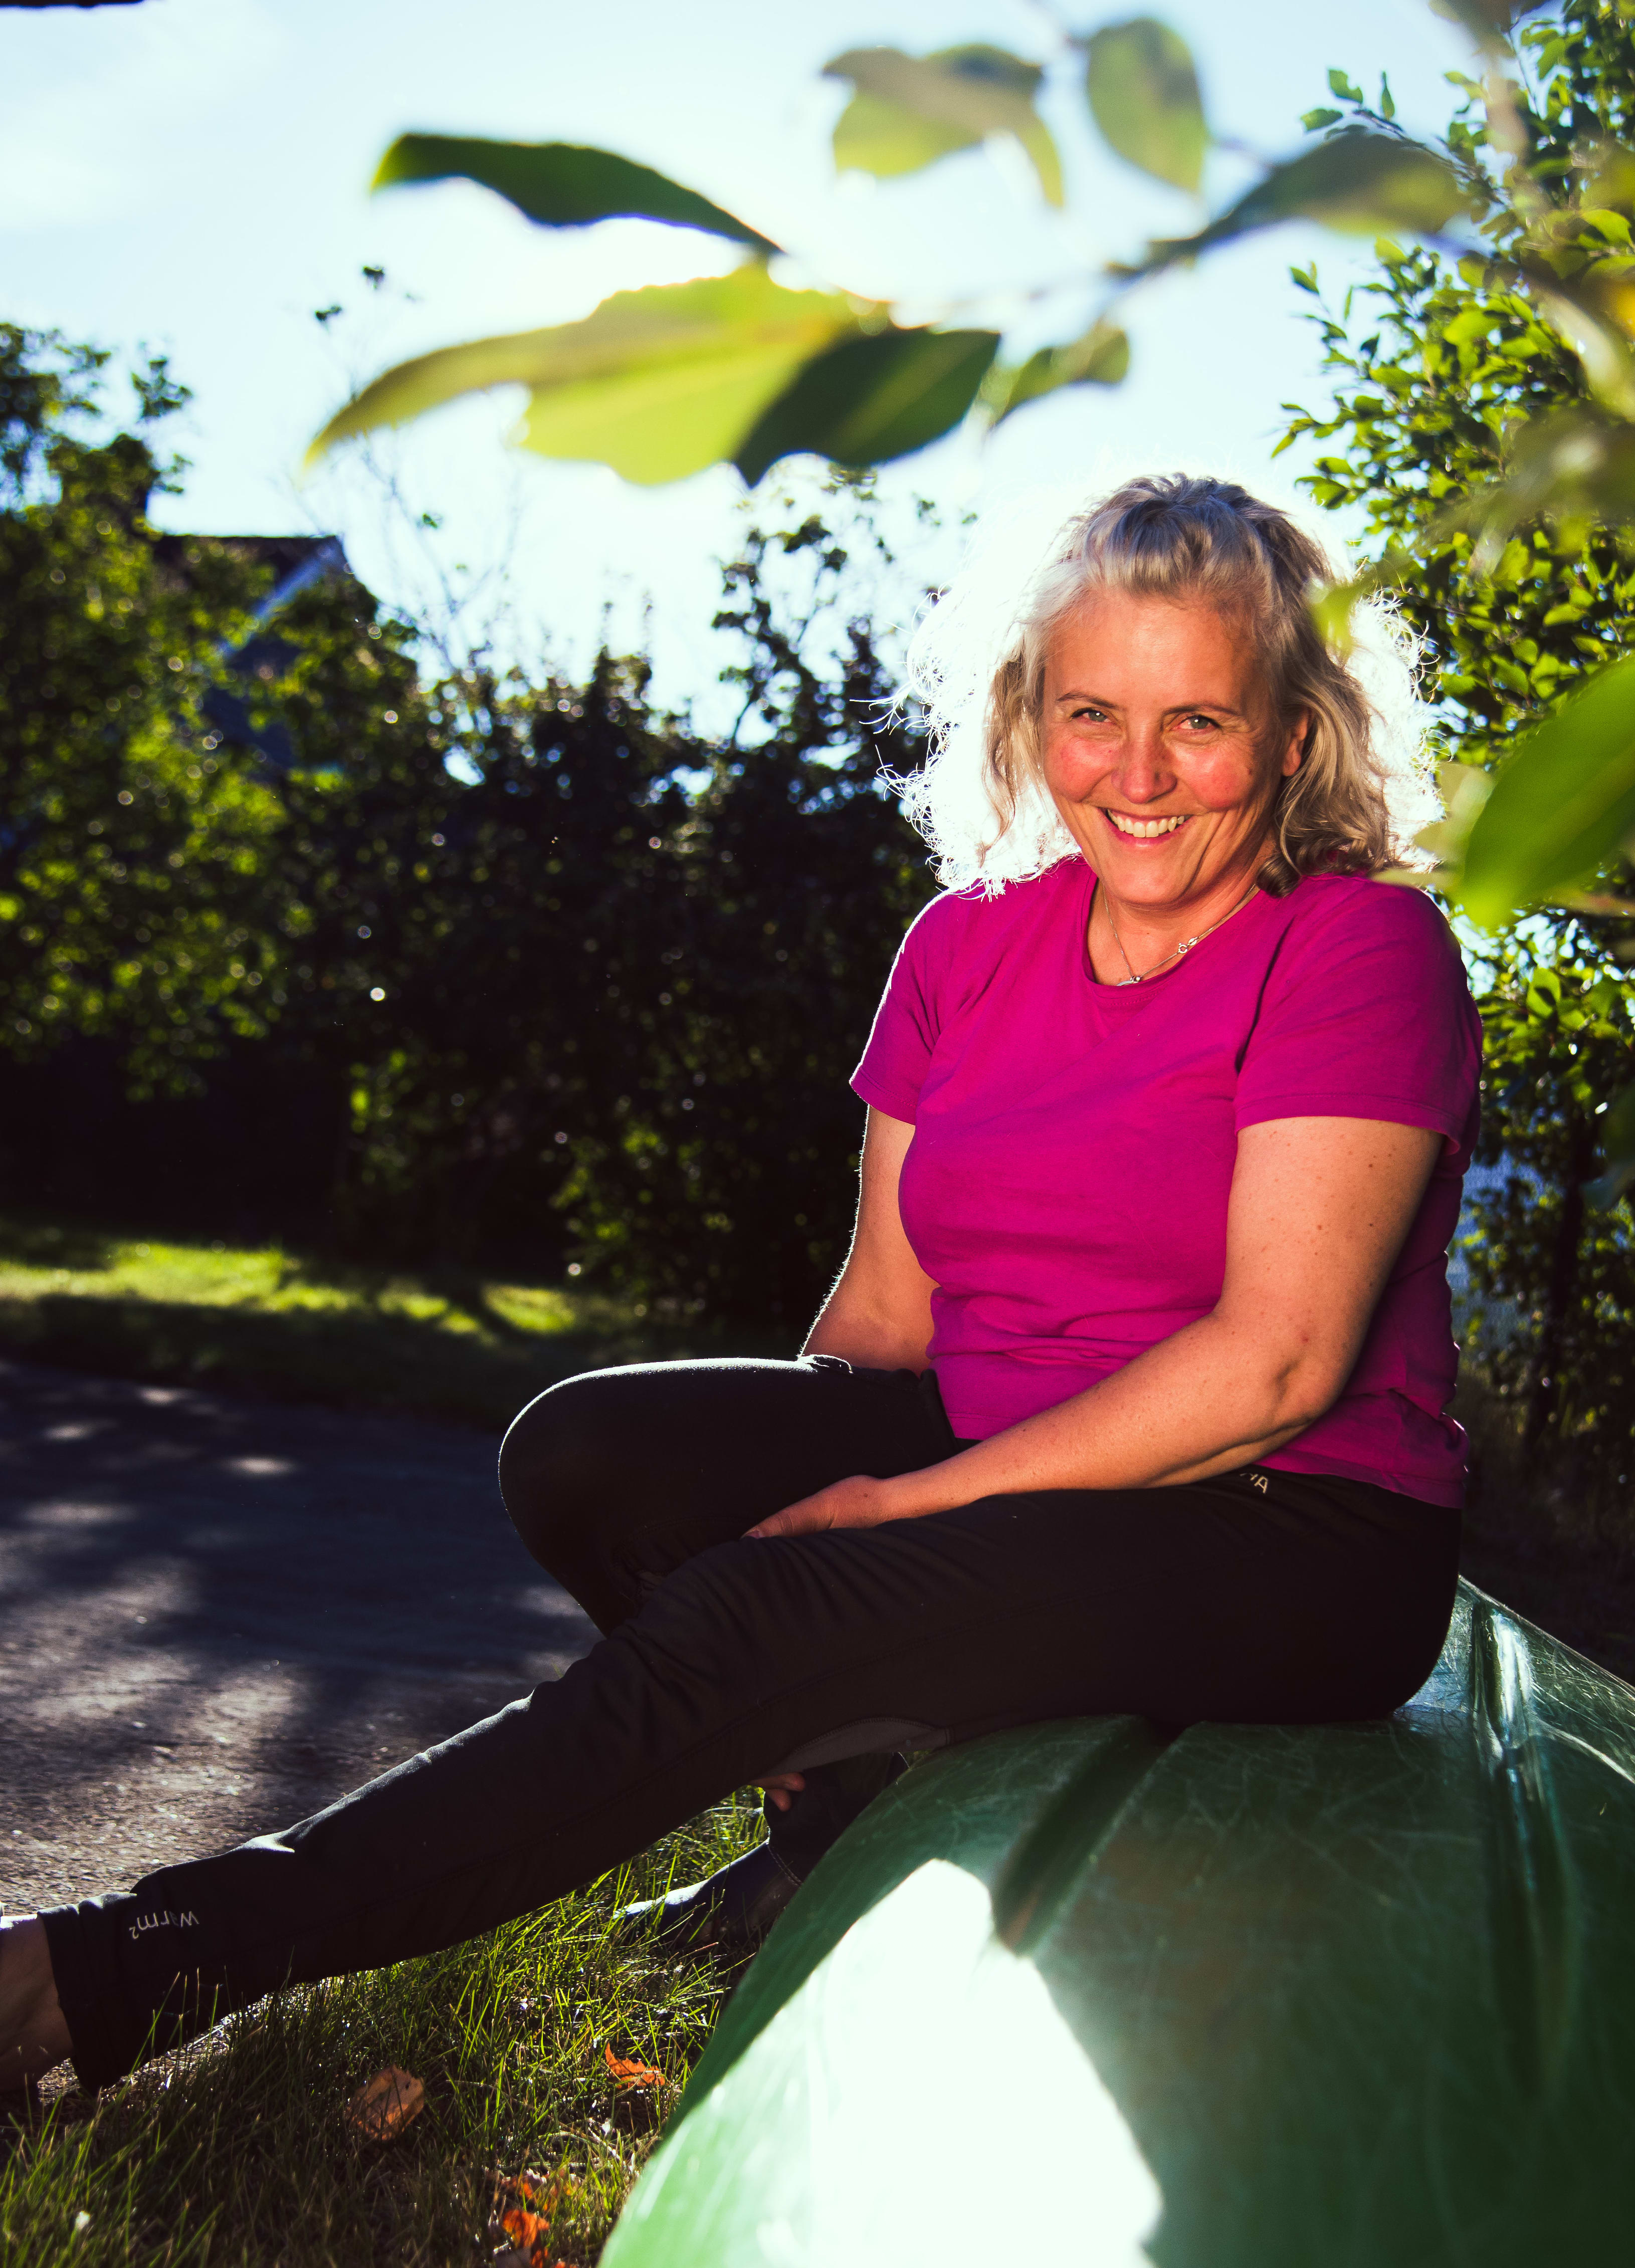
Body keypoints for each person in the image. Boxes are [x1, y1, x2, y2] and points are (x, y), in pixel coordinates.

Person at [0, 472, 1482, 2095]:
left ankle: (117, 1974)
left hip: (1291, 1530)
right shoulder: (967, 949)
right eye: (1089, 714)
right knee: (586, 1454)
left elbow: (1276, 1365)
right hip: (1010, 1461)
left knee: (768, 1612)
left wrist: (882, 1538)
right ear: (1026, 712)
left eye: (1198, 719)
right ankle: (830, 1828)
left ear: (1293, 730)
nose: (1135, 776)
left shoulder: (1359, 947)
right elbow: (881, 1325)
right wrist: (775, 1526)